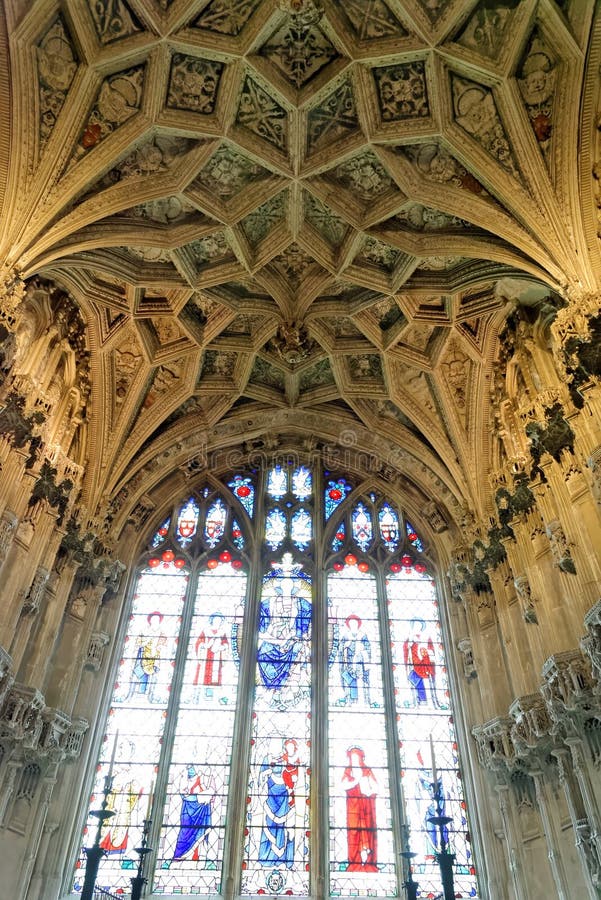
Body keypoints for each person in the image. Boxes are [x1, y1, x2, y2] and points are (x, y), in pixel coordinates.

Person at [341, 747, 378, 872]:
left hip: (366, 807)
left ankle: (369, 863)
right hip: (353, 808)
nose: (354, 760)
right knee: (353, 833)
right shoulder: (348, 771)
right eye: (352, 757)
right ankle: (354, 863)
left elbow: (376, 787)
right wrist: (355, 781)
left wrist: (369, 789)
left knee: (368, 831)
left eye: (356, 757)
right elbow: (343, 785)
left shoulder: (367, 771)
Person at [258, 752, 296, 867]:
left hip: (283, 820)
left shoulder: (288, 784)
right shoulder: (267, 782)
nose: (278, 765)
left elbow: (292, 804)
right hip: (270, 819)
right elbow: (262, 799)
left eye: (280, 763)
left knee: (283, 835)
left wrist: (283, 817)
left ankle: (283, 862)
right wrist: (274, 817)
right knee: (269, 837)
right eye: (275, 763)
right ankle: (267, 862)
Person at [173, 764, 216, 861]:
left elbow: (211, 792)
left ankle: (198, 860)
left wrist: (205, 795)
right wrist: (195, 797)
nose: (190, 770)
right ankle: (180, 859)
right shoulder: (185, 778)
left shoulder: (205, 778)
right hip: (188, 810)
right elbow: (183, 793)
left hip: (201, 810)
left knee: (200, 835)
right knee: (185, 833)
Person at [129, 612, 166, 702]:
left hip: (154, 657)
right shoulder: (144, 631)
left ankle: (148, 695)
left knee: (151, 675)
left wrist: (158, 647)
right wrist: (145, 643)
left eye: (157, 619)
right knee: (140, 673)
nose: (155, 621)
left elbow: (163, 644)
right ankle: (136, 694)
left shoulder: (161, 632)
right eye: (153, 619)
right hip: (143, 655)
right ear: (150, 620)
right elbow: (138, 642)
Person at [337, 615, 373, 706]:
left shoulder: (362, 635)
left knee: (361, 681)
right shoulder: (346, 636)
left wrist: (362, 648)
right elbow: (340, 648)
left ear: (358, 624)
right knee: (350, 681)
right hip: (348, 662)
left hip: (360, 663)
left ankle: (364, 700)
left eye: (355, 623)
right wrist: (345, 645)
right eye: (351, 623)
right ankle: (351, 700)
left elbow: (368, 648)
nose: (353, 625)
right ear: (349, 625)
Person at [403, 619, 439, 707]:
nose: (417, 627)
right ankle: (420, 701)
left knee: (427, 681)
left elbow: (431, 648)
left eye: (419, 625)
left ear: (422, 627)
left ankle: (431, 701)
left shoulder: (426, 637)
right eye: (415, 625)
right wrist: (411, 642)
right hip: (415, 664)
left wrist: (425, 652)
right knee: (418, 682)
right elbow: (406, 648)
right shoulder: (410, 637)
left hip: (426, 663)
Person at [194, 613, 229, 699]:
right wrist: (205, 645)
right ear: (212, 620)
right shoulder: (206, 631)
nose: (217, 621)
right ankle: (198, 697)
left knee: (215, 676)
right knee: (202, 675)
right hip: (205, 656)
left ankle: (211, 697)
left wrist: (223, 647)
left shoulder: (222, 632)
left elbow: (226, 643)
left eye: (219, 620)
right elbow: (198, 642)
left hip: (216, 657)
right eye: (216, 619)